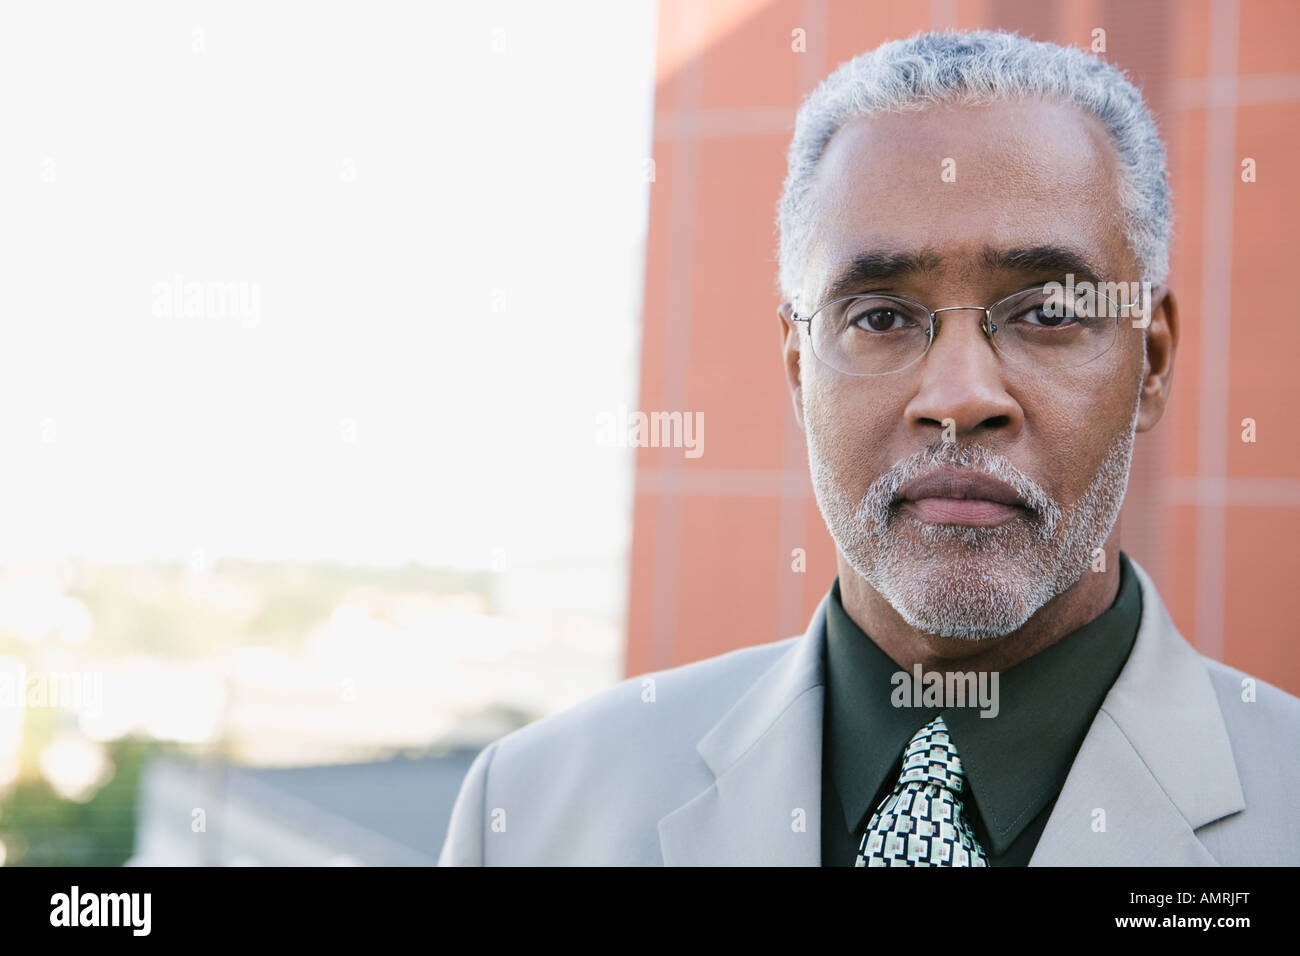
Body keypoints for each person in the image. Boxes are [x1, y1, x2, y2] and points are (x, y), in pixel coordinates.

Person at [439, 29, 1300, 866]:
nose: (960, 397)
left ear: (1150, 362)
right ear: (796, 369)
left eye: (1047, 311)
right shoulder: (528, 814)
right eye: (880, 316)